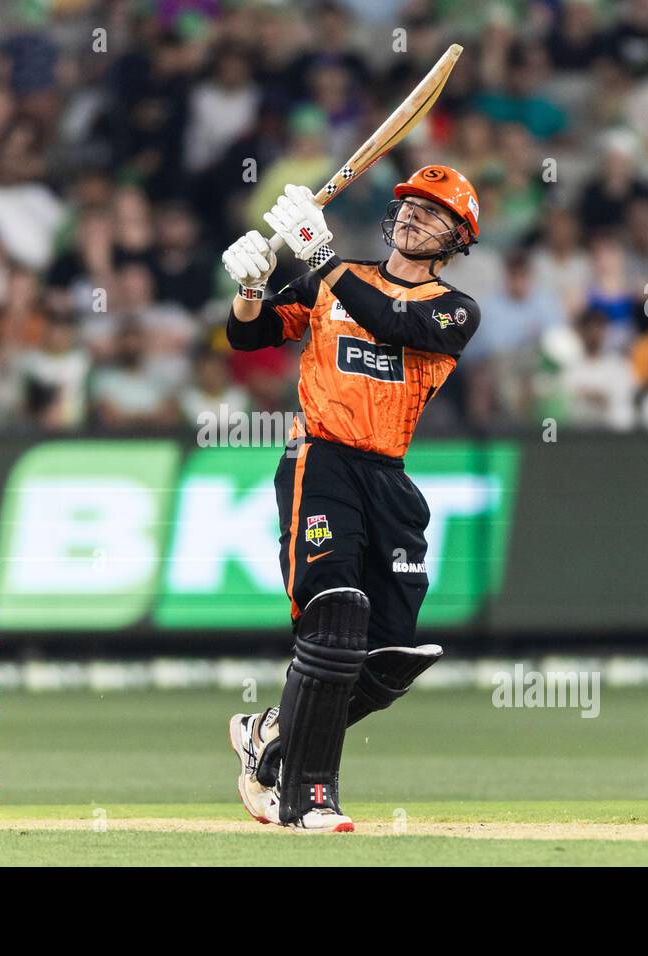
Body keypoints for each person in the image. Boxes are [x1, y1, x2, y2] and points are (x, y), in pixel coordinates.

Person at [221, 166, 482, 831]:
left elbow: (390, 320)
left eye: (435, 215)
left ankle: (271, 733)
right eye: (410, 206)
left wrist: (321, 254)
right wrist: (251, 288)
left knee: (387, 659)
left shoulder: (454, 310)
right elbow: (249, 335)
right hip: (322, 456)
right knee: (335, 611)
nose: (415, 217)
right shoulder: (330, 278)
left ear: (458, 240)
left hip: (390, 478)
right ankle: (308, 796)